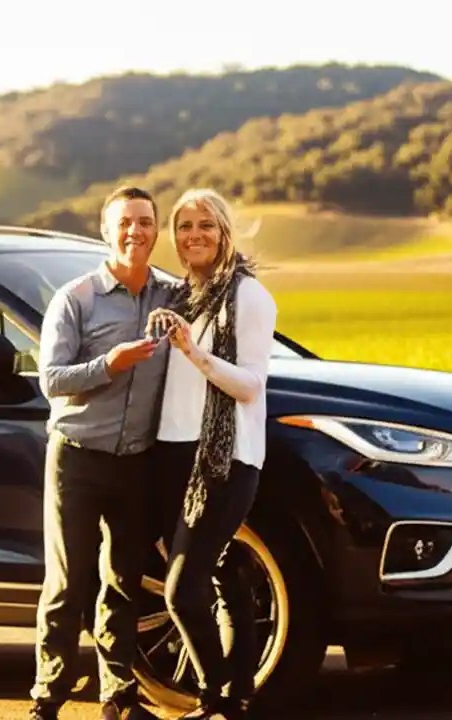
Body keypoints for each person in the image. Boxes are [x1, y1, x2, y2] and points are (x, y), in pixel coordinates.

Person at [29, 185, 177, 720]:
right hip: (77, 458)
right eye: (124, 223)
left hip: (137, 460)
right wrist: (109, 363)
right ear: (105, 231)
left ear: (156, 231)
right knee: (69, 584)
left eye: (145, 222)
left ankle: (118, 697)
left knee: (123, 582)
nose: (135, 231)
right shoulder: (76, 298)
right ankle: (47, 697)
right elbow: (51, 380)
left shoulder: (173, 297)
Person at [147, 188, 277, 719]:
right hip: (176, 455)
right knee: (221, 576)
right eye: (183, 226)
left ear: (224, 231)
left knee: (182, 589)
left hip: (224, 460)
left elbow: (250, 385)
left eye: (205, 225)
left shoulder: (247, 296)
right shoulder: (180, 297)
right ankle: (237, 695)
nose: (194, 235)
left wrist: (193, 352)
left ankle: (211, 693)